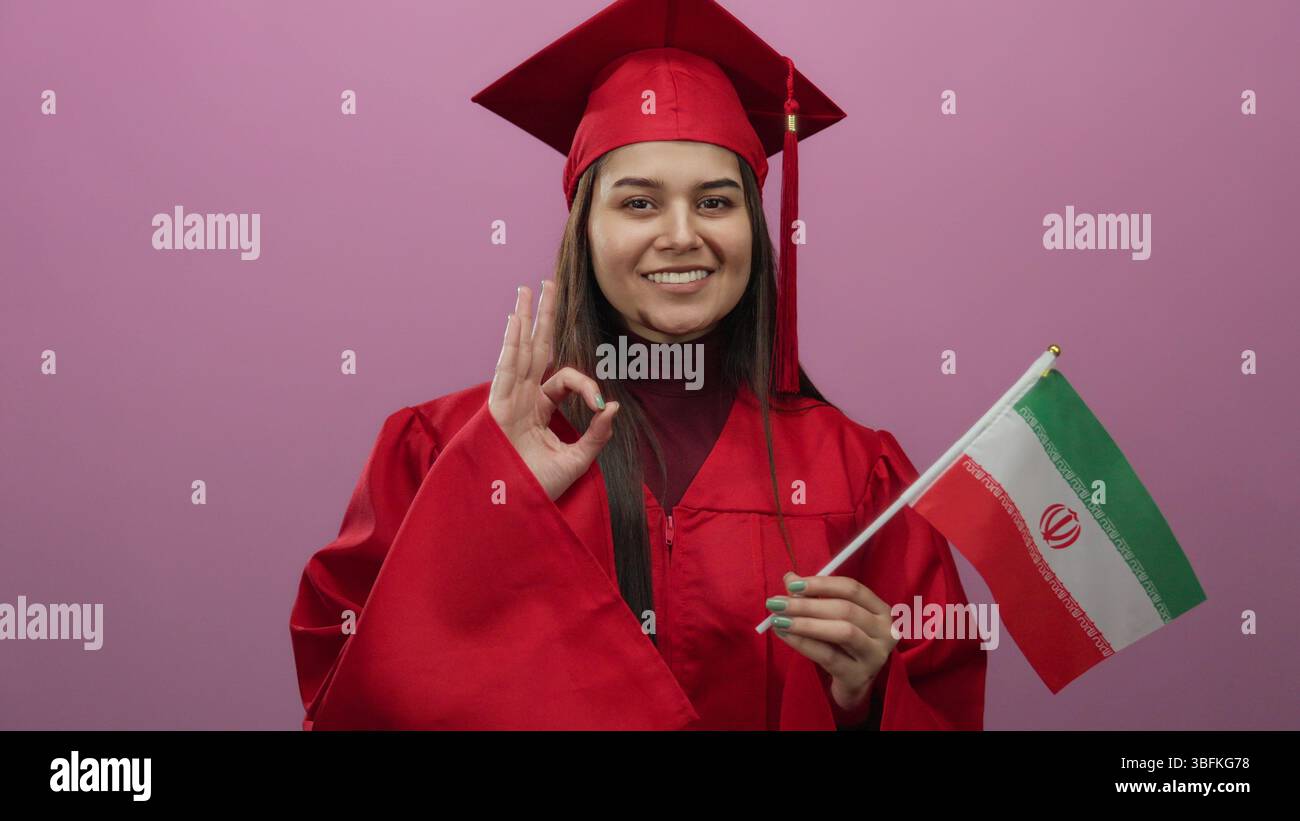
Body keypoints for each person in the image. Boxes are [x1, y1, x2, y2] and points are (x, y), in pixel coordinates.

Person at [289, 0, 986, 730]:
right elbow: (350, 703)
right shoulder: (442, 449)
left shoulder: (854, 472)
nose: (681, 235)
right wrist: (487, 496)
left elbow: (944, 699)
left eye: (716, 201)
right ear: (584, 229)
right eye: (639, 203)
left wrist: (868, 698)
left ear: (753, 223)